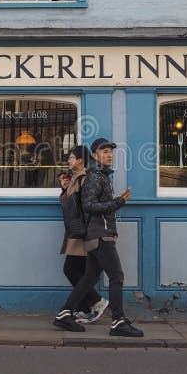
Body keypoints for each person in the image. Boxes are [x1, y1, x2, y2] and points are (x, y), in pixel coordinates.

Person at [53, 138, 143, 337]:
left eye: (111, 151)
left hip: (99, 235)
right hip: (100, 235)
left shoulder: (100, 175)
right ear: (94, 155)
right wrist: (119, 201)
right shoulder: (95, 176)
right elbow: (89, 206)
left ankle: (64, 314)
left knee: (88, 278)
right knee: (116, 276)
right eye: (104, 151)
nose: (109, 154)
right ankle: (118, 321)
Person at [58, 145, 109, 324]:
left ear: (80, 160)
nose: (69, 161)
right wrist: (64, 189)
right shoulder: (75, 179)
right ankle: (85, 308)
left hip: (82, 233)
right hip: (76, 232)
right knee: (78, 271)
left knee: (71, 270)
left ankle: (96, 302)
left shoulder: (84, 179)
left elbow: (83, 206)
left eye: (71, 157)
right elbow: (68, 205)